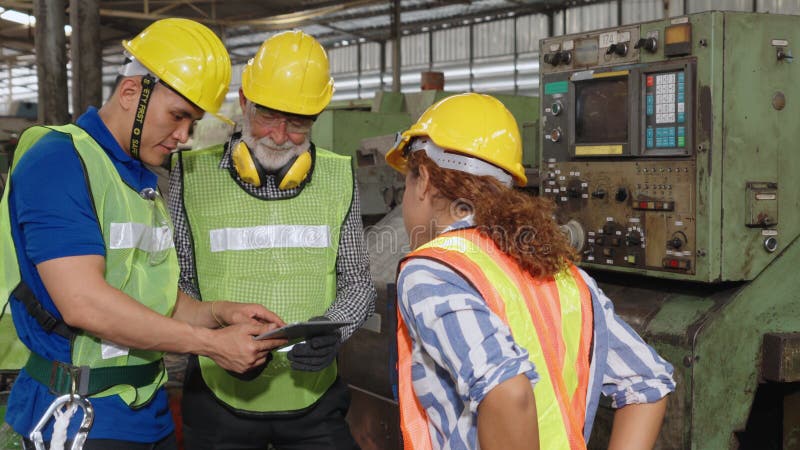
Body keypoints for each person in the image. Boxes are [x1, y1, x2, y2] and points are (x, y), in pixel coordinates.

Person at [0, 18, 287, 450]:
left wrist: (219, 313)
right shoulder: (59, 160)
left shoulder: (139, 179)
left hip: (145, 411)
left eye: (192, 123)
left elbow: (153, 299)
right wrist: (209, 343)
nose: (183, 136)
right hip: (79, 415)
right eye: (178, 116)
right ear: (132, 91)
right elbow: (83, 303)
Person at [385, 93, 676, 450]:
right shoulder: (561, 271)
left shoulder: (433, 271)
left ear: (425, 180)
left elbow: (509, 392)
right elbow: (648, 382)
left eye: (407, 183)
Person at [169, 30, 376, 449]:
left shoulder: (338, 175)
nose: (279, 136)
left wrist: (332, 332)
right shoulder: (190, 175)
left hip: (315, 402)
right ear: (244, 101)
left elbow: (357, 282)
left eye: (297, 123)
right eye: (267, 116)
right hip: (216, 399)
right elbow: (177, 284)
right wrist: (215, 341)